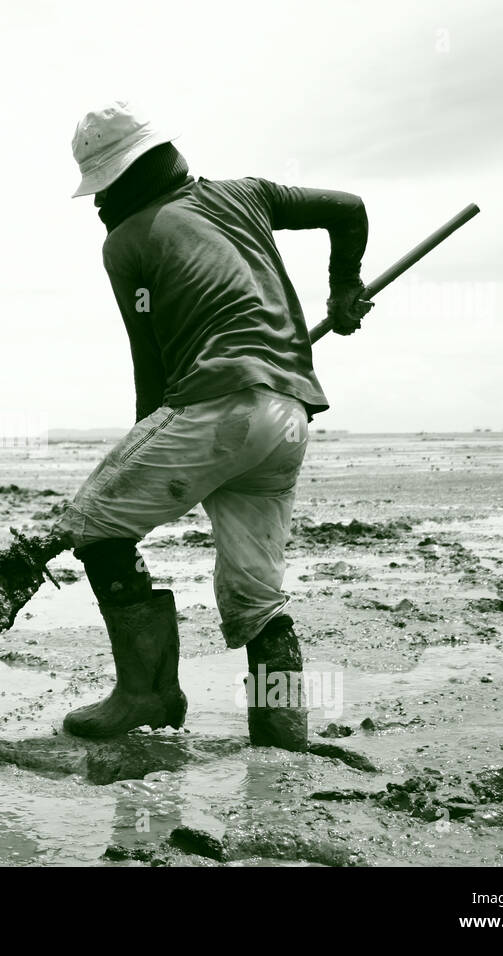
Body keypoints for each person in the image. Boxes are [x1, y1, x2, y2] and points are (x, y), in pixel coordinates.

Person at [55, 100, 372, 750]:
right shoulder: (248, 194)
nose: (98, 204)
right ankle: (282, 740)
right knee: (256, 598)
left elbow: (154, 370)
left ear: (117, 179)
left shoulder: (126, 241)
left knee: (92, 527)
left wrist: (143, 446)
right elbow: (349, 208)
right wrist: (343, 292)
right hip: (288, 415)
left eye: (102, 190)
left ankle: (146, 691)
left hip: (219, 405)